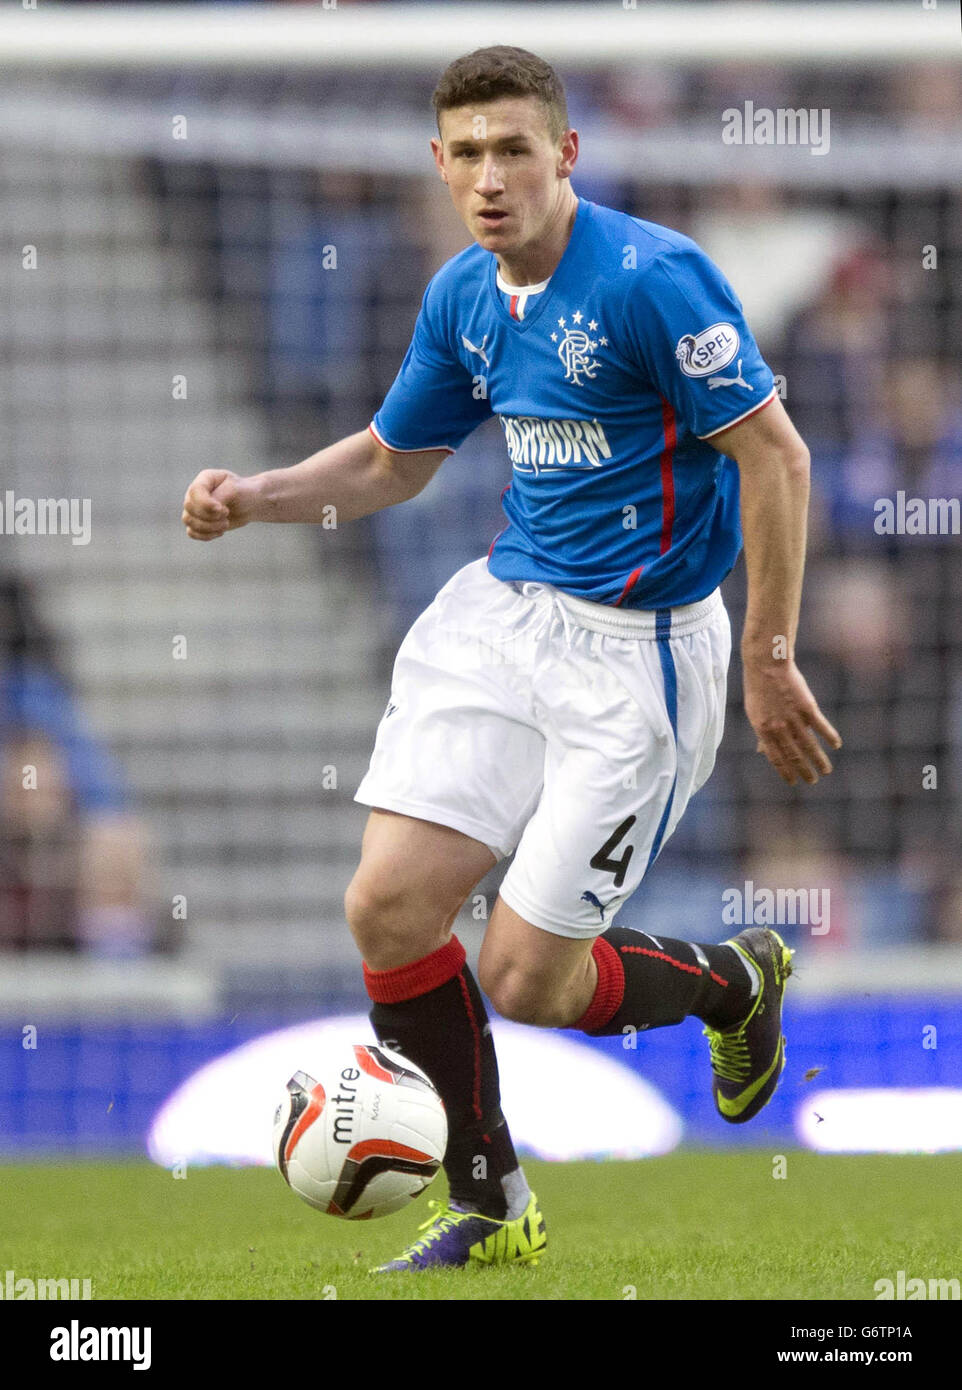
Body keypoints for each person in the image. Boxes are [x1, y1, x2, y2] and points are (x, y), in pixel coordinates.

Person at [182, 46, 841, 1272]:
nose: (490, 178)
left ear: (565, 154)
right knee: (384, 905)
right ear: (439, 166)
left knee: (527, 980)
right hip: (504, 617)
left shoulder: (654, 281)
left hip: (642, 654)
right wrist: (257, 494)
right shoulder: (463, 297)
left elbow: (778, 458)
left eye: (513, 150)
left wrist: (766, 653)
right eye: (467, 155)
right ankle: (489, 1201)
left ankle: (731, 985)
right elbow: (394, 459)